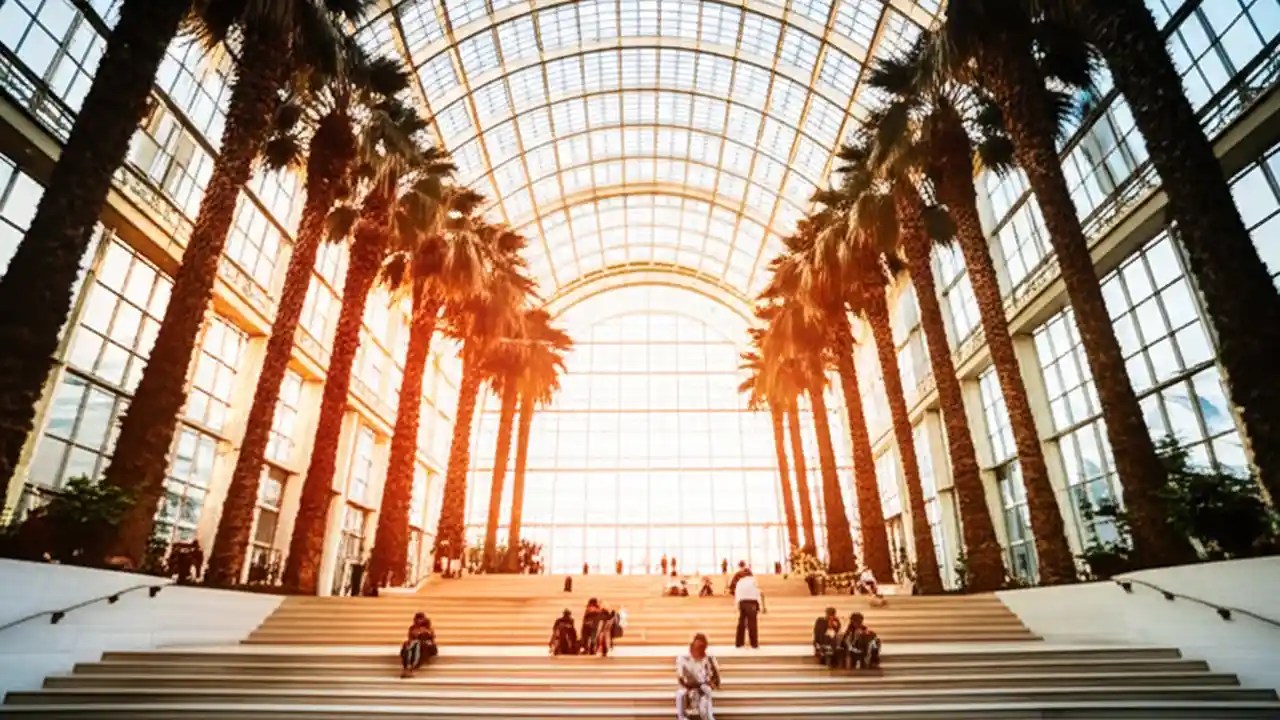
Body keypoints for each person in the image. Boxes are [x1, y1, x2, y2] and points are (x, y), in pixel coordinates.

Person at [676, 633, 720, 720]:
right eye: (696, 647)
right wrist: (688, 687)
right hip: (688, 686)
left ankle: (707, 716)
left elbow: (716, 678)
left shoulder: (709, 658)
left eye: (701, 648)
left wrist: (711, 684)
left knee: (705, 701)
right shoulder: (683, 658)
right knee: (680, 694)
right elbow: (680, 677)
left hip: (703, 686)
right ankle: (682, 717)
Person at [399, 612, 437, 678]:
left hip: (426, 647)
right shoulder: (412, 628)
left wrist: (424, 634)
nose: (419, 621)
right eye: (418, 619)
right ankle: (408, 666)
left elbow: (432, 640)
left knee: (418, 646)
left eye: (421, 619)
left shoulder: (429, 628)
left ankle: (412, 667)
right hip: (414, 646)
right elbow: (410, 638)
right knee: (408, 646)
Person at [733, 568, 762, 649]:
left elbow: (737, 593)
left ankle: (739, 643)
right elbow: (757, 592)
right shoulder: (754, 580)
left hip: (742, 602)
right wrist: (759, 604)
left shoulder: (740, 581)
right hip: (752, 602)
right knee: (752, 624)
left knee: (741, 623)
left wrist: (737, 604)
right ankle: (754, 643)